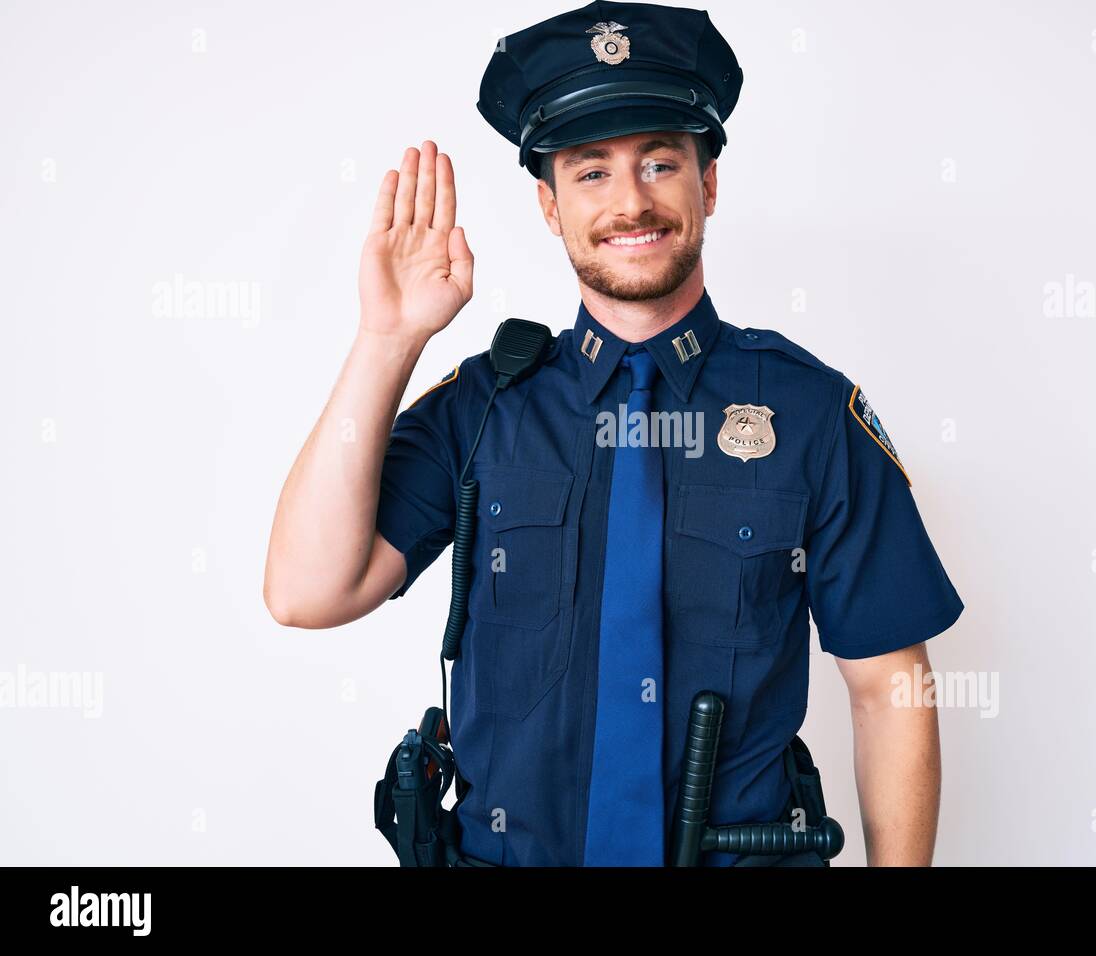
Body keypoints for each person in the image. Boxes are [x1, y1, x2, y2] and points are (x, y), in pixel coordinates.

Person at [263, 0, 964, 867]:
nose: (630, 202)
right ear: (550, 207)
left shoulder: (813, 414)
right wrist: (389, 341)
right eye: (590, 172)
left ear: (708, 183)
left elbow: (887, 684)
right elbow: (307, 592)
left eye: (660, 162)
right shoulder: (486, 404)